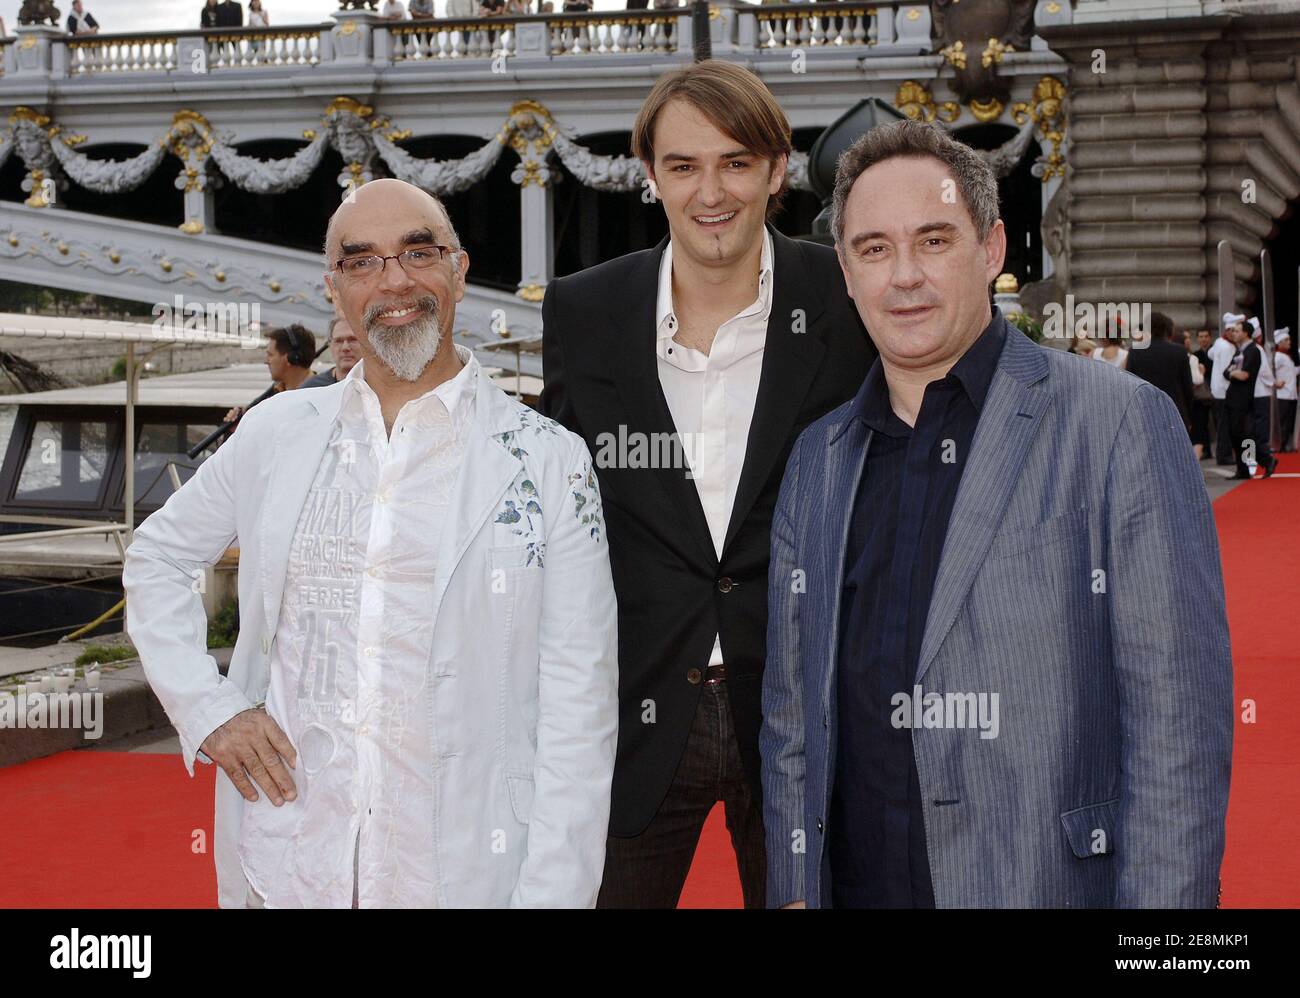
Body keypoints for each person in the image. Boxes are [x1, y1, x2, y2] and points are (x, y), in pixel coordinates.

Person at [761, 119, 1232, 909]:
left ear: (991, 250)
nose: (903, 276)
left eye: (934, 240)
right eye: (874, 248)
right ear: (844, 271)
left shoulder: (1115, 424)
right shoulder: (816, 459)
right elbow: (791, 721)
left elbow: (1177, 728)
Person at [122, 178, 618, 909]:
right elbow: (156, 556)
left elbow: (581, 709)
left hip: (465, 876)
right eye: (362, 262)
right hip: (289, 866)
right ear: (334, 288)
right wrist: (211, 709)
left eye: (419, 252)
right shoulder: (276, 434)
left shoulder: (548, 460)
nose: (394, 281)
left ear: (459, 268)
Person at [540, 61, 874, 909]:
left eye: (734, 162)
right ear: (650, 177)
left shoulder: (847, 300)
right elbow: (557, 502)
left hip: (807, 714)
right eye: (683, 166)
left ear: (775, 170)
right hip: (635, 712)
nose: (710, 191)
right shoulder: (583, 311)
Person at [223, 325, 317, 426]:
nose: (266, 361)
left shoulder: (320, 396)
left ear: (291, 358)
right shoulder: (273, 393)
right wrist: (240, 427)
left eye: (270, 355)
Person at [1124, 311, 1194, 439]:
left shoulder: (1135, 352)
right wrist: (1188, 416)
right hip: (1175, 412)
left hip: (1145, 414)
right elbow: (1188, 388)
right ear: (1167, 330)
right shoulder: (1179, 351)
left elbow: (1130, 385)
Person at [1250, 317, 1280, 475]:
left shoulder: (1257, 350)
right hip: (1257, 393)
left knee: (1259, 429)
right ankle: (1264, 458)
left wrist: (1273, 382)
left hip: (1259, 393)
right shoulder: (1256, 349)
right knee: (1256, 429)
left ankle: (1266, 457)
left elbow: (1264, 372)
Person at [301, 316, 362, 388]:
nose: (345, 348)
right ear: (330, 346)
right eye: (338, 341)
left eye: (352, 340)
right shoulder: (313, 388)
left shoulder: (376, 385)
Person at [1209, 317, 1237, 466]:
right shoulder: (1227, 347)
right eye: (1232, 331)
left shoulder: (1219, 343)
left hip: (1217, 389)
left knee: (1221, 424)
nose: (1235, 334)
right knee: (1224, 425)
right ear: (1227, 331)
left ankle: (1223, 454)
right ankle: (1224, 455)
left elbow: (1210, 354)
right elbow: (1227, 372)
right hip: (1224, 391)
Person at [1274, 328, 1296, 452]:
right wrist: (1275, 382)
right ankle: (1280, 445)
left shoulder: (1287, 356)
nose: (1289, 342)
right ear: (1280, 342)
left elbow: (1291, 372)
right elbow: (1269, 370)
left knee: (1288, 421)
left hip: (1290, 394)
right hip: (1282, 394)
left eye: (1289, 339)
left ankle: (1285, 444)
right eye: (1286, 340)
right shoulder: (1278, 357)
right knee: (1282, 421)